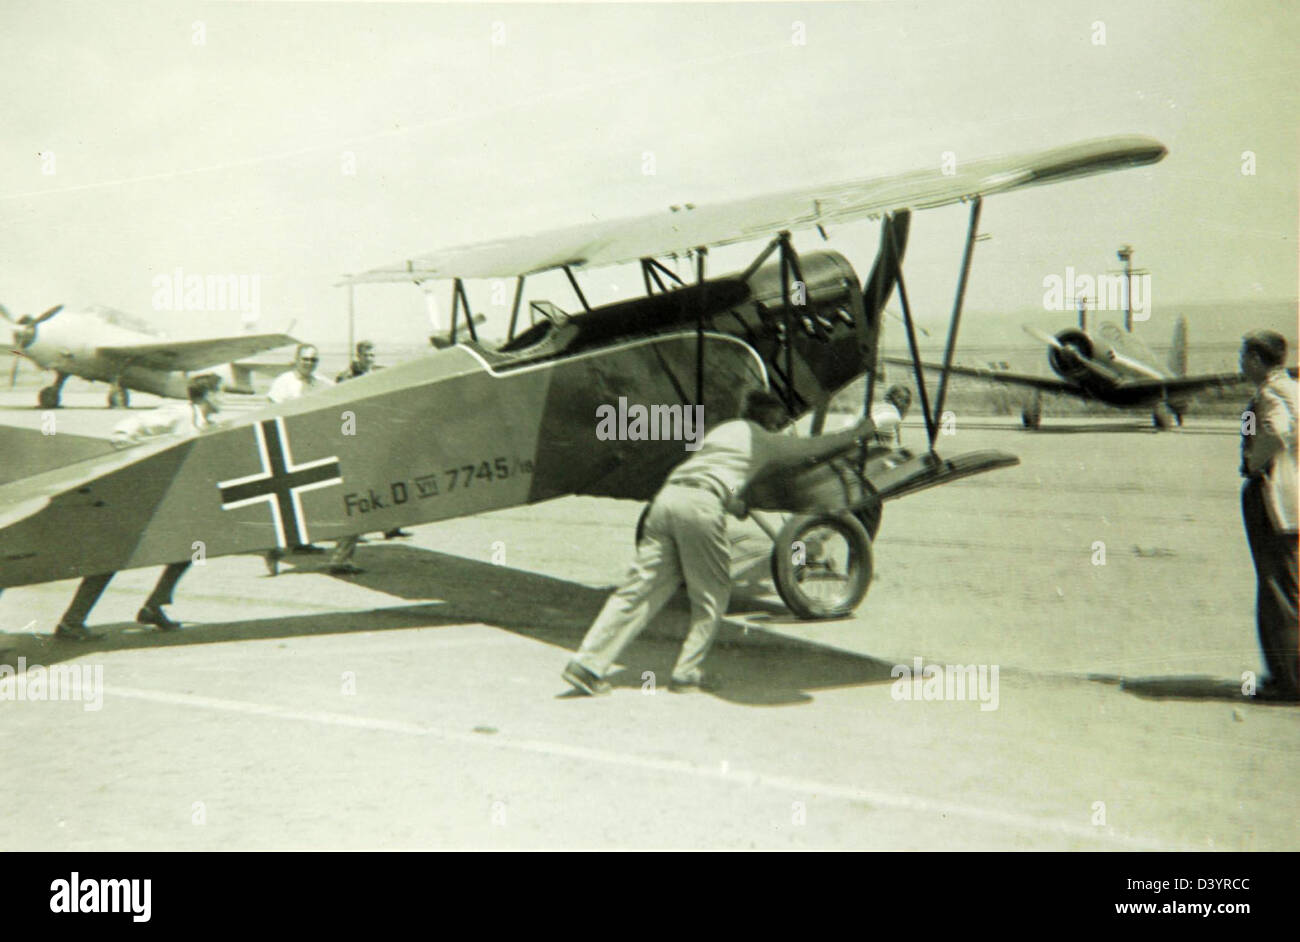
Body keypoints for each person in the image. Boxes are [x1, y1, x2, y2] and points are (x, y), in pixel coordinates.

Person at [561, 389, 874, 695]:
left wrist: (735, 503)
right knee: (712, 595)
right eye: (778, 419)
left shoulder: (724, 431)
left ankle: (587, 664)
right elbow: (812, 448)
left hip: (668, 499)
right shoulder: (762, 439)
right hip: (701, 505)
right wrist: (861, 430)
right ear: (770, 418)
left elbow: (718, 471)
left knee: (638, 590)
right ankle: (685, 674)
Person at [55, 375, 224, 641]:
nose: (223, 398)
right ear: (208, 394)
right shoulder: (179, 414)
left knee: (193, 545)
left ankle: (153, 607)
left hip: (163, 502)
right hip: (138, 499)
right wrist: (134, 457)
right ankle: (71, 622)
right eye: (220, 392)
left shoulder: (205, 422)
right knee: (112, 556)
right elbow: (126, 429)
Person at [1239, 329, 1298, 701]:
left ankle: (1289, 681)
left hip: (1271, 494)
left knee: (1277, 588)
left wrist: (1252, 461)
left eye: (1244, 356)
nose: (1241, 363)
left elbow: (1275, 431)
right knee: (1289, 583)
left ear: (1259, 361)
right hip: (1292, 494)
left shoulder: (1269, 394)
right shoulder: (1294, 388)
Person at [327, 341, 409, 574]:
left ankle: (389, 526)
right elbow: (346, 412)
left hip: (374, 443)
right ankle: (340, 557)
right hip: (357, 447)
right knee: (356, 499)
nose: (371, 357)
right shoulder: (347, 378)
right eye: (367, 354)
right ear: (359, 355)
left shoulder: (378, 374)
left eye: (374, 353)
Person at [264, 343, 333, 573]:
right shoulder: (284, 382)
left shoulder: (321, 383)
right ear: (296, 360)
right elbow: (271, 409)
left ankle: (303, 541)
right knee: (287, 497)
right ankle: (277, 546)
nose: (309, 364)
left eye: (314, 360)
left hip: (310, 443)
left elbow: (338, 400)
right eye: (305, 359)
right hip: (286, 443)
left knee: (309, 495)